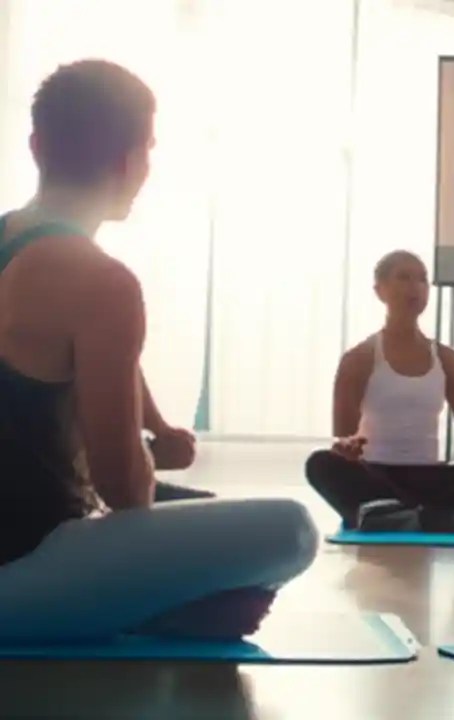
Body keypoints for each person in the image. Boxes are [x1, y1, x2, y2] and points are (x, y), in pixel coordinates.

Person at [0, 60, 318, 642]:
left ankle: (172, 600)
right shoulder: (103, 283)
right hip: (24, 575)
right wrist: (148, 458)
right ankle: (158, 608)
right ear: (133, 163)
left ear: (37, 144)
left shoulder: (20, 247)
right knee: (291, 530)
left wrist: (157, 426)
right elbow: (124, 490)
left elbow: (83, 355)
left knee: (199, 506)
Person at [305, 250, 454, 531]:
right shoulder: (359, 358)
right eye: (404, 277)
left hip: (434, 478)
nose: (415, 287)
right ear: (380, 290)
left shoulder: (446, 358)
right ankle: (442, 514)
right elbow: (343, 439)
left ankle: (398, 515)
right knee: (320, 464)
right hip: (379, 473)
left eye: (422, 280)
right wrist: (347, 447)